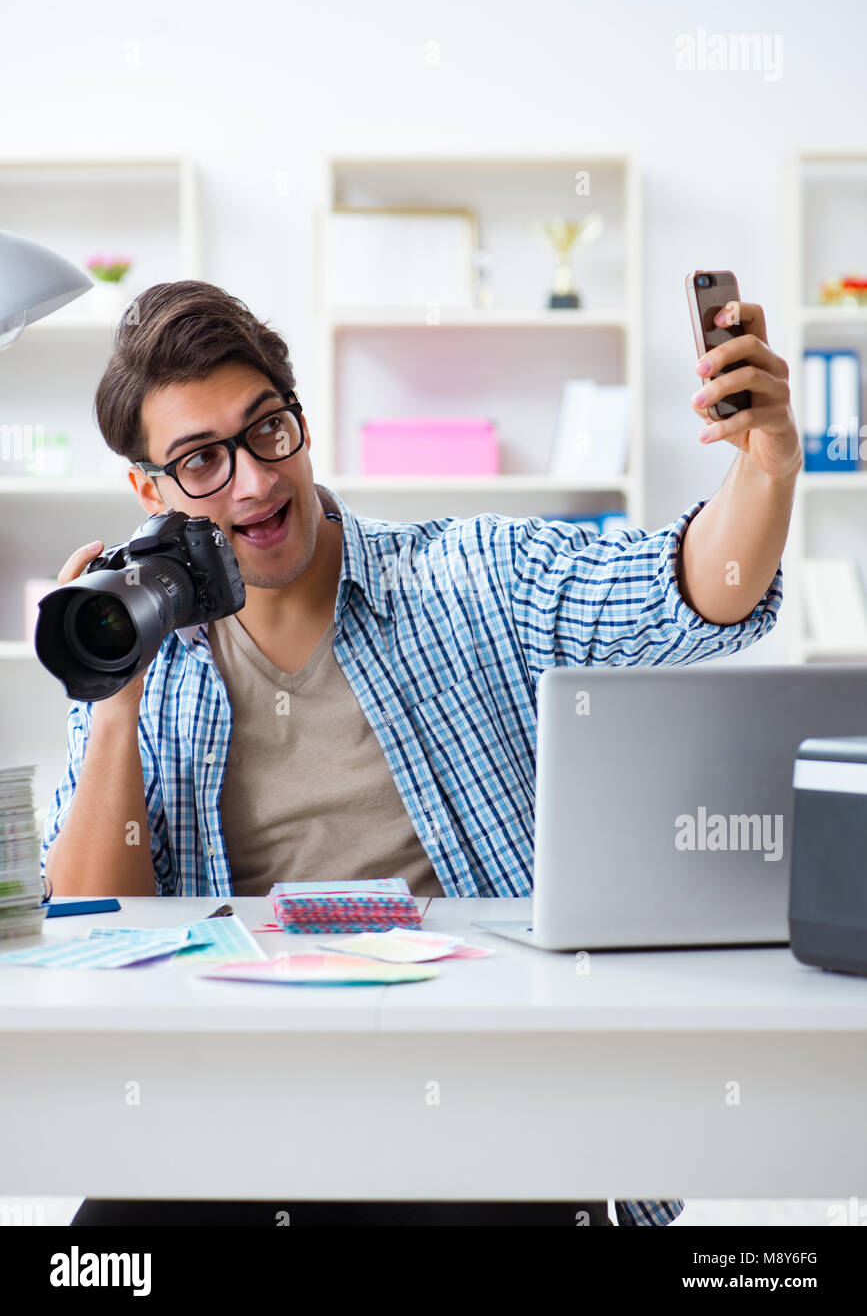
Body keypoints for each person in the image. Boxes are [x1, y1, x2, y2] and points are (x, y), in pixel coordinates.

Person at [43, 280, 800, 1227]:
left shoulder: (469, 573)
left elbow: (689, 595)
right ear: (147, 490)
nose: (252, 481)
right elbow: (93, 934)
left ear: (302, 422)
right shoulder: (133, 639)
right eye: (200, 460)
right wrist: (113, 705)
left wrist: (764, 467)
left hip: (481, 1079)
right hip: (242, 1091)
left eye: (267, 429)